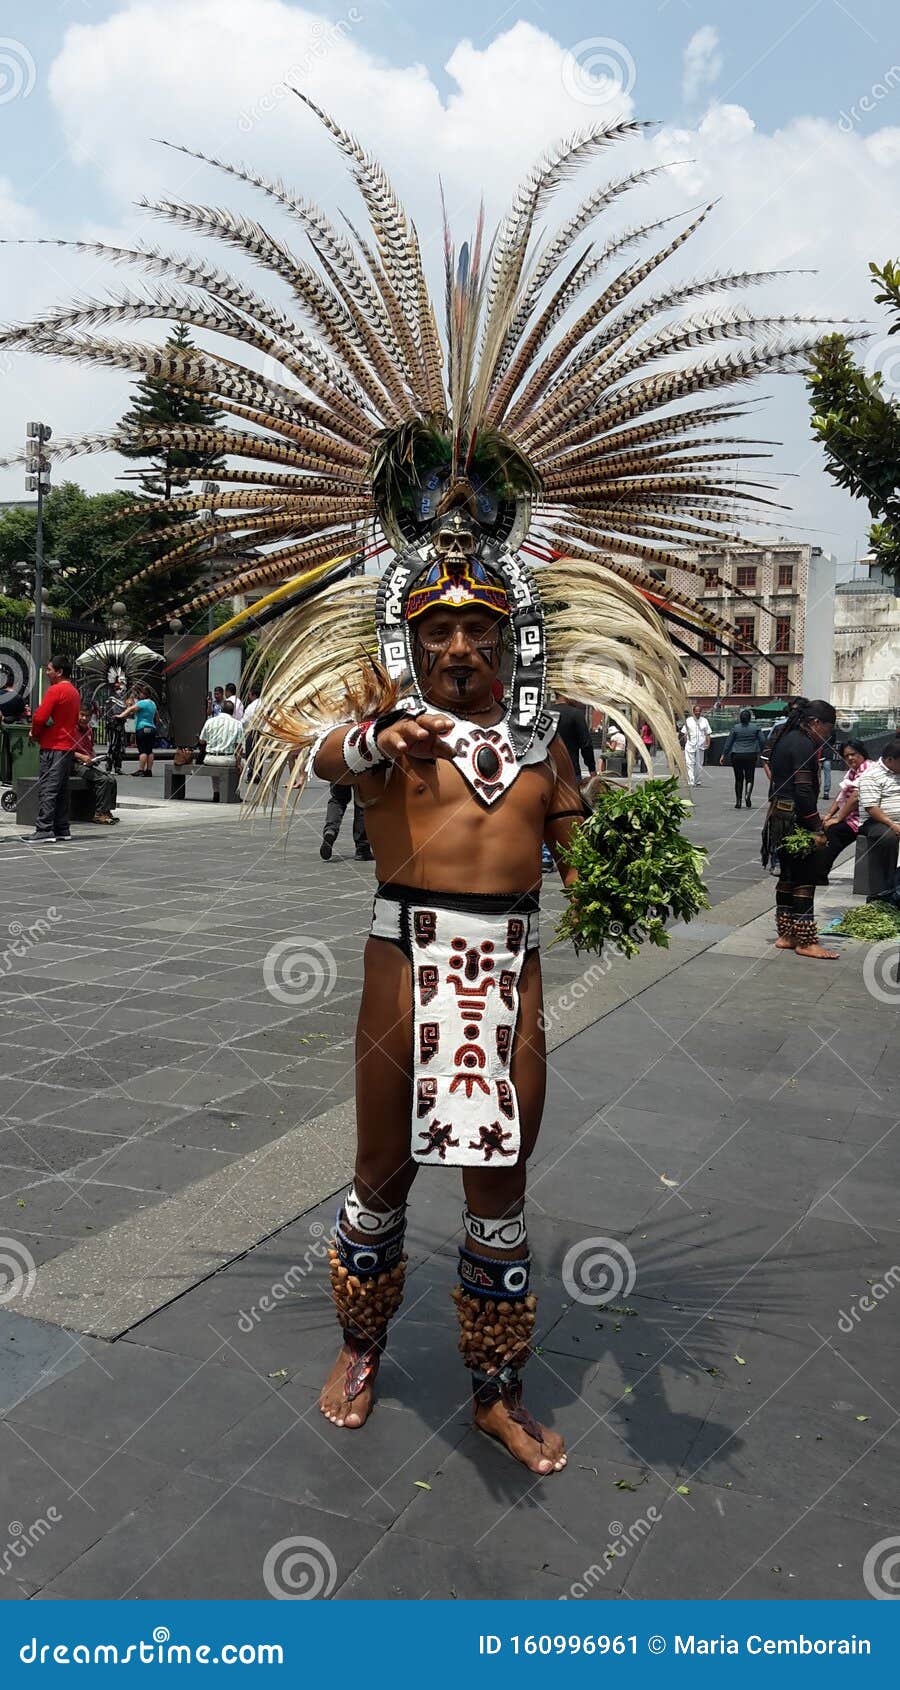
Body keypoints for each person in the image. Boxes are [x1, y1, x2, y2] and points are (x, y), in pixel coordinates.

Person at [760, 698, 840, 958]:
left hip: (779, 815)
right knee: (805, 876)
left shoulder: (786, 737)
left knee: (788, 876)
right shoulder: (805, 743)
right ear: (816, 723)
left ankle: (787, 934)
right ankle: (806, 941)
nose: (829, 734)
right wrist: (817, 827)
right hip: (796, 816)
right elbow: (804, 790)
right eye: (829, 728)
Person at [23, 654, 81, 845]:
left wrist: (35, 733)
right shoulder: (74, 691)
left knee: (48, 788)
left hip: (53, 745)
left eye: (49, 669)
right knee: (61, 788)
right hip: (67, 746)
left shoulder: (55, 690)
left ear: (59, 672)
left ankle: (44, 828)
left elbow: (40, 717)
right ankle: (61, 827)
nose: (47, 673)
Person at [857, 738, 900, 901]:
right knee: (887, 837)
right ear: (890, 760)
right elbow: (871, 808)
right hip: (877, 822)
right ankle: (884, 888)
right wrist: (893, 825)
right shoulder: (872, 775)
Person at [821, 740, 869, 872]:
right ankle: (819, 869)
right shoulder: (853, 771)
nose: (849, 758)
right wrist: (829, 815)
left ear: (862, 753)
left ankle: (821, 871)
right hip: (852, 816)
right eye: (846, 755)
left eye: (853, 754)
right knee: (823, 825)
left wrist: (837, 819)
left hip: (865, 818)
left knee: (834, 831)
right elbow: (842, 795)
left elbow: (855, 797)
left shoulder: (867, 768)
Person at [73, 703, 119, 824]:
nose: (84, 718)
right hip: (74, 764)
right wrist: (82, 757)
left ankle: (107, 810)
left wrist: (94, 757)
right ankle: (99, 812)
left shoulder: (89, 730)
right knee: (103, 779)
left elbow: (90, 748)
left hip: (87, 763)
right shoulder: (71, 729)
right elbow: (66, 751)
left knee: (111, 779)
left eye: (87, 716)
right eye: (82, 715)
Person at [198, 697, 244, 800]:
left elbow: (201, 740)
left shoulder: (210, 721)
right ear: (232, 712)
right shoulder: (238, 724)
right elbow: (239, 747)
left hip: (210, 758)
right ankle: (235, 791)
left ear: (221, 710)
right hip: (227, 759)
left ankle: (216, 791)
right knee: (243, 764)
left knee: (215, 765)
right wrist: (238, 764)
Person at [720, 709, 766, 808]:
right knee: (750, 777)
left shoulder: (735, 728)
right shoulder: (756, 728)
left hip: (737, 754)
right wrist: (761, 750)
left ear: (740, 718)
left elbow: (729, 743)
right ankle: (747, 795)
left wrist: (724, 754)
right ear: (750, 718)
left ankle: (738, 801)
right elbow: (762, 740)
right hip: (751, 754)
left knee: (738, 778)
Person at [320, 781, 372, 861]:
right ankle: (362, 849)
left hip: (338, 770)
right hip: (361, 770)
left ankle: (330, 830)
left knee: (337, 799)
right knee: (361, 802)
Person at [554, 696, 597, 783]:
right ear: (567, 695)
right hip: (570, 771)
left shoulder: (544, 712)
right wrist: (592, 771)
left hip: (546, 771)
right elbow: (586, 745)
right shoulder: (575, 714)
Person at [131, 689, 158, 777]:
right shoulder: (153, 704)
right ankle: (149, 770)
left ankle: (141, 770)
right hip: (152, 728)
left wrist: (120, 715)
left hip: (142, 728)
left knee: (142, 750)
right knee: (149, 751)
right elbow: (157, 716)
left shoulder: (141, 703)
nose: (139, 695)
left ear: (144, 694)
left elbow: (131, 709)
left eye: (140, 694)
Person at [683, 702, 711, 787]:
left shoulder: (704, 721)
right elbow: (685, 733)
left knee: (699, 764)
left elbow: (708, 733)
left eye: (699, 711)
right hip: (690, 745)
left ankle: (698, 780)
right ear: (693, 712)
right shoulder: (688, 720)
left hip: (700, 746)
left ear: (701, 712)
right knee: (689, 763)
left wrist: (708, 743)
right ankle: (691, 781)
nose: (697, 713)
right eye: (696, 711)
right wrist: (686, 742)